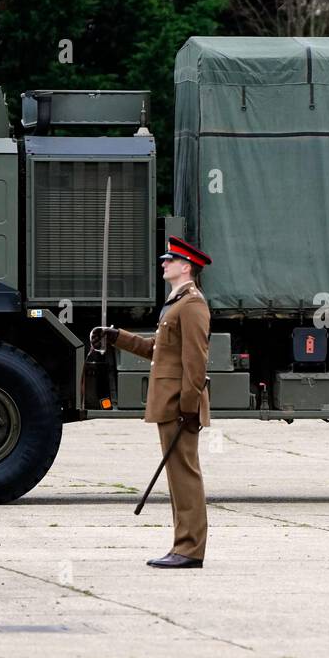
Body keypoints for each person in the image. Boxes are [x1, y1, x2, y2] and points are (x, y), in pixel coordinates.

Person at [93, 236, 212, 569]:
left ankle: (189, 549)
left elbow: (196, 361)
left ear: (186, 266)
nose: (163, 263)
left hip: (179, 405)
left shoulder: (192, 305)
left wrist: (188, 406)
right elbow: (156, 351)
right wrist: (117, 336)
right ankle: (183, 545)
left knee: (184, 477)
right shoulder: (177, 303)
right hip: (171, 404)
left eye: (169, 260)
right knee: (178, 477)